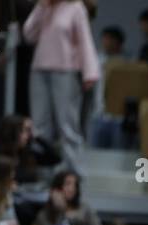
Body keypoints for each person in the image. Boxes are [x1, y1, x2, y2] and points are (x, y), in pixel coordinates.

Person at [24, 0, 98, 173]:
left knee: (68, 125)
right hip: (39, 70)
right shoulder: (43, 7)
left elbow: (85, 40)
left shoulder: (76, 7)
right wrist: (41, 7)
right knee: (39, 126)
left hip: (66, 71)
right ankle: (42, 174)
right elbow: (28, 34)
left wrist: (90, 72)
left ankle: (75, 176)